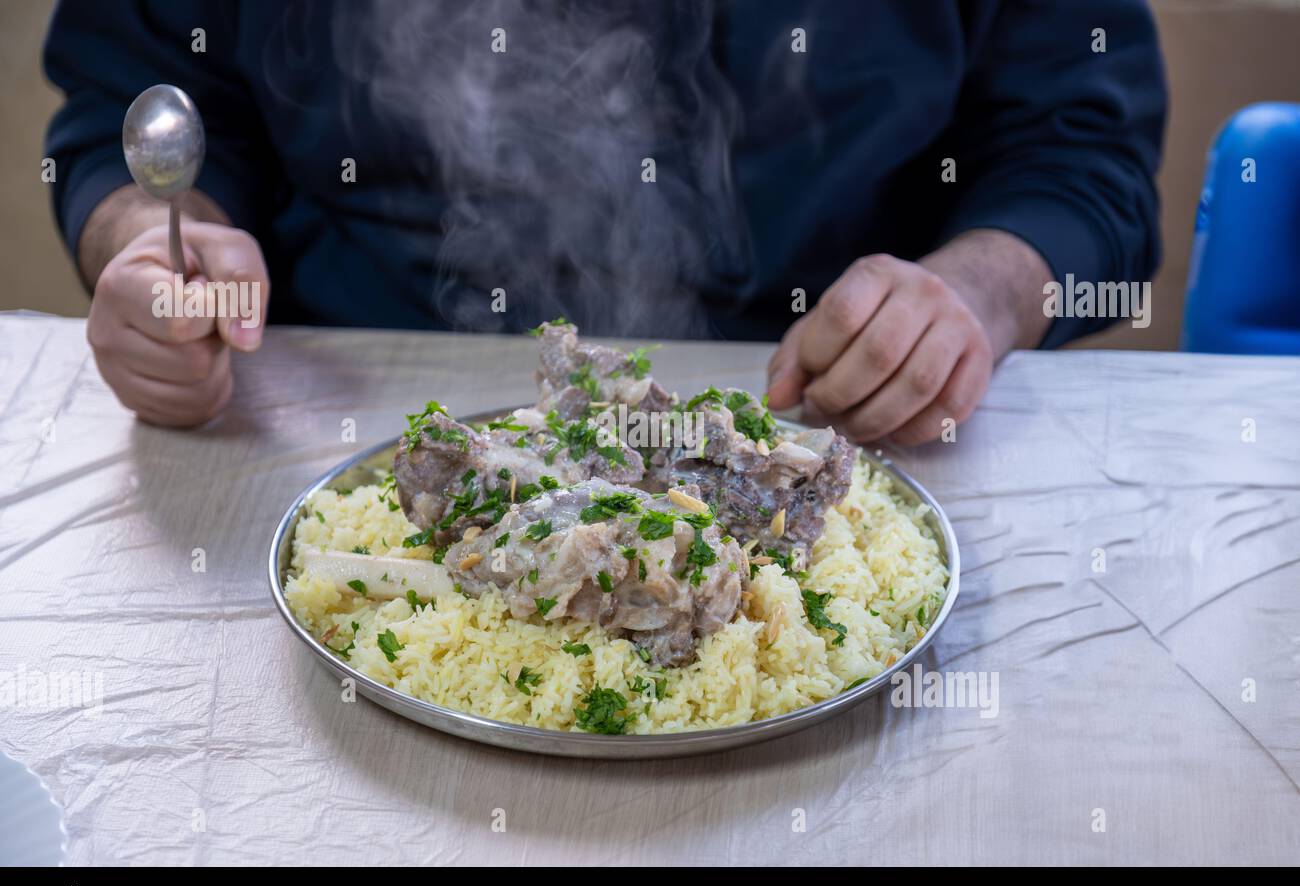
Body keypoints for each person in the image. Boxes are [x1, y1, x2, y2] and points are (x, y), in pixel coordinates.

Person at [44, 1, 1166, 439]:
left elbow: (1081, 158)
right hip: (325, 427)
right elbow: (129, 110)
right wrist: (157, 250)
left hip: (828, 422)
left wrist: (969, 297)